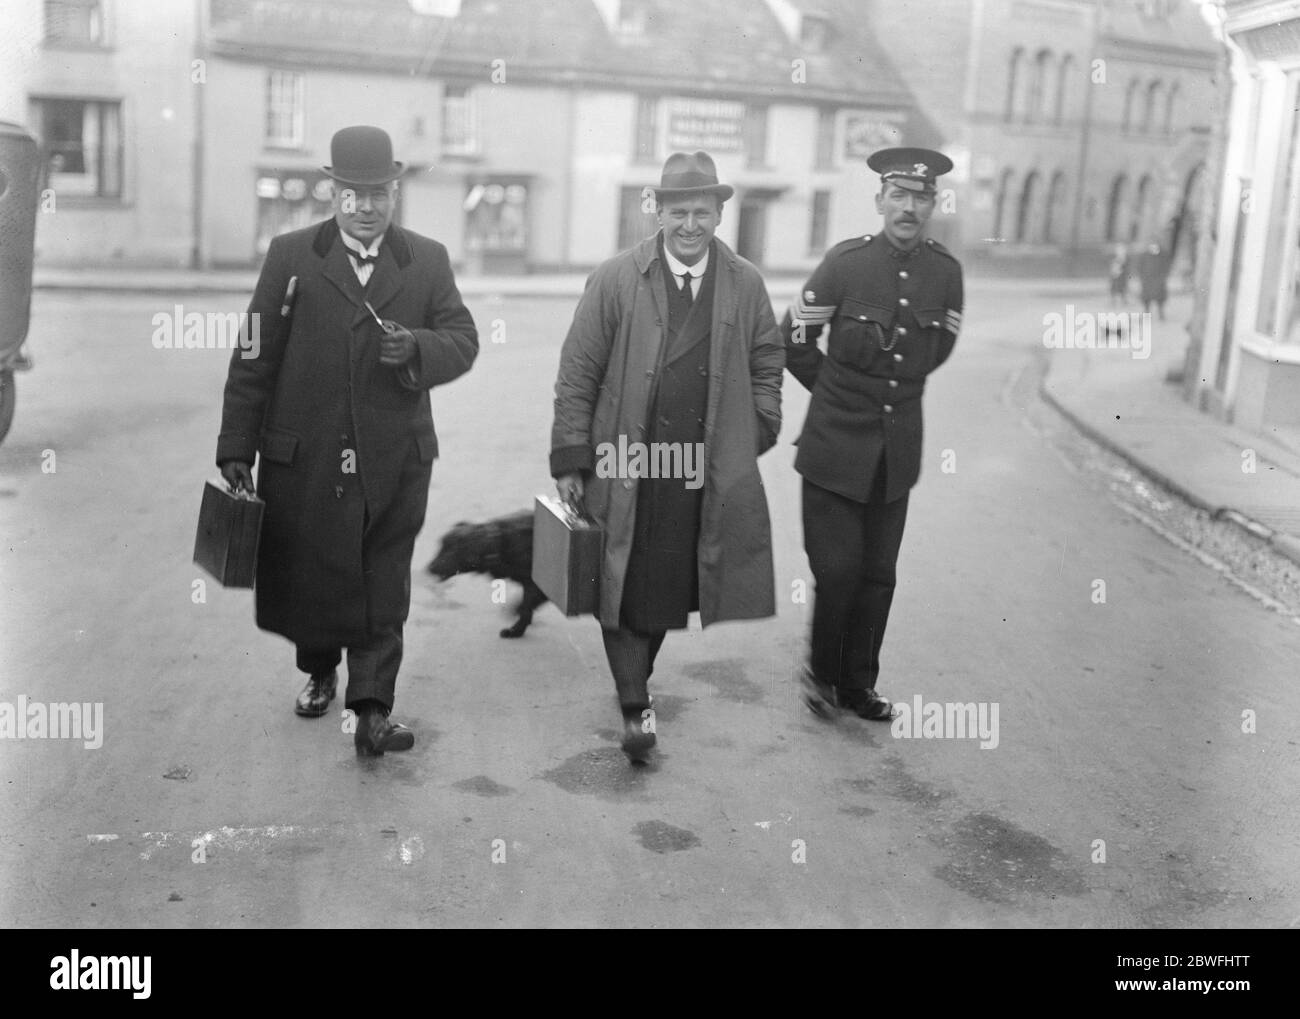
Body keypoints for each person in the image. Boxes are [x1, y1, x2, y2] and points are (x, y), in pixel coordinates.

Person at [216, 125, 478, 756]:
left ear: (395, 192)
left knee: (382, 577)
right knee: (313, 573)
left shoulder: (427, 260)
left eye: (378, 193)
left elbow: (465, 339)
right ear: (332, 192)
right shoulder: (291, 256)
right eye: (352, 194)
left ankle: (373, 710)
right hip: (304, 453)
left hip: (395, 455)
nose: (365, 207)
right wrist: (236, 447)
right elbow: (254, 355)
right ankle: (319, 668)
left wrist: (418, 347)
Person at [550, 150, 783, 763]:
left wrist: (757, 429)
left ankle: (637, 683)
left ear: (720, 213)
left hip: (697, 473)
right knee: (621, 584)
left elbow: (767, 363)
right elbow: (577, 371)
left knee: (666, 587)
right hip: (627, 465)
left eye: (701, 212)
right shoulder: (617, 277)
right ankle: (634, 705)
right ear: (657, 209)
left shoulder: (745, 284)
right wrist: (572, 457)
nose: (689, 225)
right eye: (678, 211)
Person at [783, 147, 963, 722]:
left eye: (921, 198)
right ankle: (822, 673)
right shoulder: (844, 264)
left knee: (878, 574)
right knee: (837, 571)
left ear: (933, 205)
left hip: (896, 449)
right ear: (880, 200)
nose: (909, 208)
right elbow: (794, 340)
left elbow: (936, 353)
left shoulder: (946, 273)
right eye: (900, 196)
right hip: (834, 444)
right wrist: (837, 393)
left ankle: (858, 685)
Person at [1137, 239, 1169, 320]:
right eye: (1152, 246)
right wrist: (1143, 277)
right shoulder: (1144, 255)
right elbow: (1140, 267)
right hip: (1147, 280)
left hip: (1158, 280)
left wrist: (1163, 277)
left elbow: (1166, 267)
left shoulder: (1162, 255)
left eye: (1155, 246)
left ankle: (1161, 313)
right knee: (1146, 298)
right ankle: (1146, 312)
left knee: (1160, 298)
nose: (1154, 248)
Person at [1108, 243, 1130, 307]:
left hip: (1123, 277)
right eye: (1119, 250)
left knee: (1123, 288)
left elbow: (1127, 271)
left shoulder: (1126, 260)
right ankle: (1114, 300)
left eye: (1122, 250)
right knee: (1115, 288)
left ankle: (1123, 300)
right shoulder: (1115, 260)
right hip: (1116, 277)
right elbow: (1112, 270)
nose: (1121, 252)